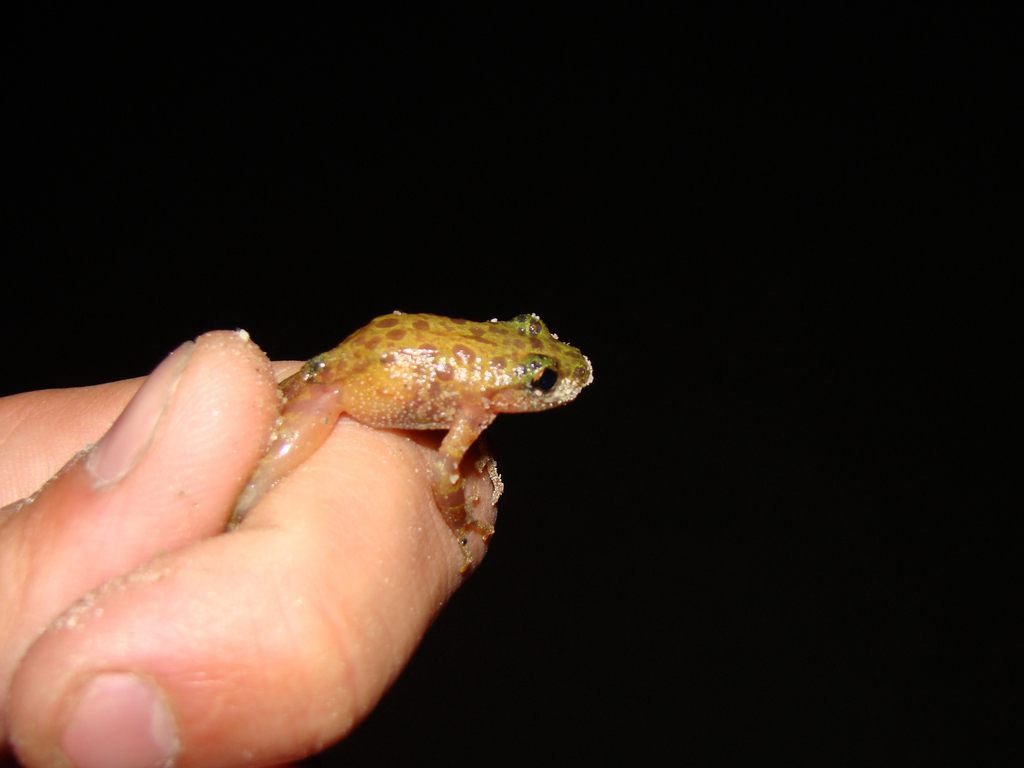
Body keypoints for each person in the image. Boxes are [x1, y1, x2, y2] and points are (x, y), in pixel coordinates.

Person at [0, 331, 494, 768]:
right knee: (249, 487)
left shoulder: (471, 397)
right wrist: (460, 521)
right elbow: (445, 470)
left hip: (332, 376)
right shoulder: (474, 405)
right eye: (542, 382)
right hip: (332, 387)